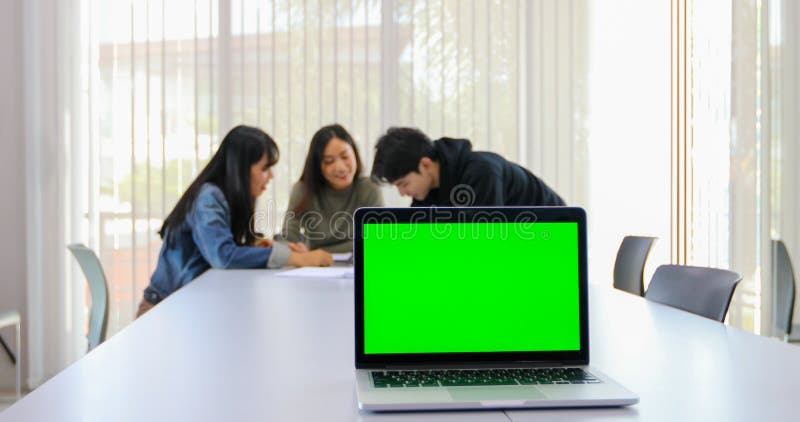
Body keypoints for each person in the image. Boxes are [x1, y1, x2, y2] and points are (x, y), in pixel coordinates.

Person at [138, 125, 333, 317]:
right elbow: (223, 255)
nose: (271, 176)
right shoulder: (208, 197)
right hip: (162, 311)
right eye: (265, 168)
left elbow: (219, 247)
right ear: (241, 169)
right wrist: (297, 258)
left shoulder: (223, 197)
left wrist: (262, 246)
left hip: (188, 308)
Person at [371, 127, 565, 207]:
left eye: (403, 184)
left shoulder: (482, 172)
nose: (402, 193)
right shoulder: (425, 192)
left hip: (553, 235)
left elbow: (485, 243)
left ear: (425, 164)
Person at [278, 124, 384, 253]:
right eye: (329, 161)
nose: (340, 167)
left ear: (355, 154)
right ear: (317, 166)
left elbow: (378, 241)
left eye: (345, 157)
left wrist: (320, 251)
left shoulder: (369, 188)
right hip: (318, 265)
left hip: (359, 264)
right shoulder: (303, 190)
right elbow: (288, 239)